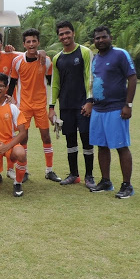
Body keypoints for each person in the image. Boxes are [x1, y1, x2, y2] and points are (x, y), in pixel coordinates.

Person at [87, 25, 137, 199]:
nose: (100, 40)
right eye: (97, 38)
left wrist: (128, 105)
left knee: (121, 146)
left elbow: (132, 77)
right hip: (98, 109)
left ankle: (127, 185)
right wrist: (91, 102)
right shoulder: (95, 59)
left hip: (117, 108)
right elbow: (94, 83)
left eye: (103, 37)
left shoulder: (120, 54)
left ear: (110, 37)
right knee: (102, 146)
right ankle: (106, 181)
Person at [9, 28, 60, 182]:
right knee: (23, 138)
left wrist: (52, 107)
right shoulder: (17, 61)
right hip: (23, 106)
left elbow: (53, 83)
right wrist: (8, 98)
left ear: (38, 42)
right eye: (28, 41)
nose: (31, 44)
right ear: (24, 44)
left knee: (46, 136)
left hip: (40, 106)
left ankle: (49, 170)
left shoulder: (47, 61)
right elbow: (12, 82)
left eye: (34, 41)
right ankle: (24, 171)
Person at [49, 20, 95, 187]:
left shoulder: (85, 52)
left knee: (86, 140)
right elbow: (55, 84)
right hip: (66, 106)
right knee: (70, 141)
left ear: (73, 33)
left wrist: (90, 101)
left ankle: (89, 176)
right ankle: (74, 174)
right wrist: (52, 107)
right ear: (59, 37)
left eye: (67, 33)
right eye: (61, 34)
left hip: (83, 105)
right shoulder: (57, 58)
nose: (64, 36)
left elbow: (90, 77)